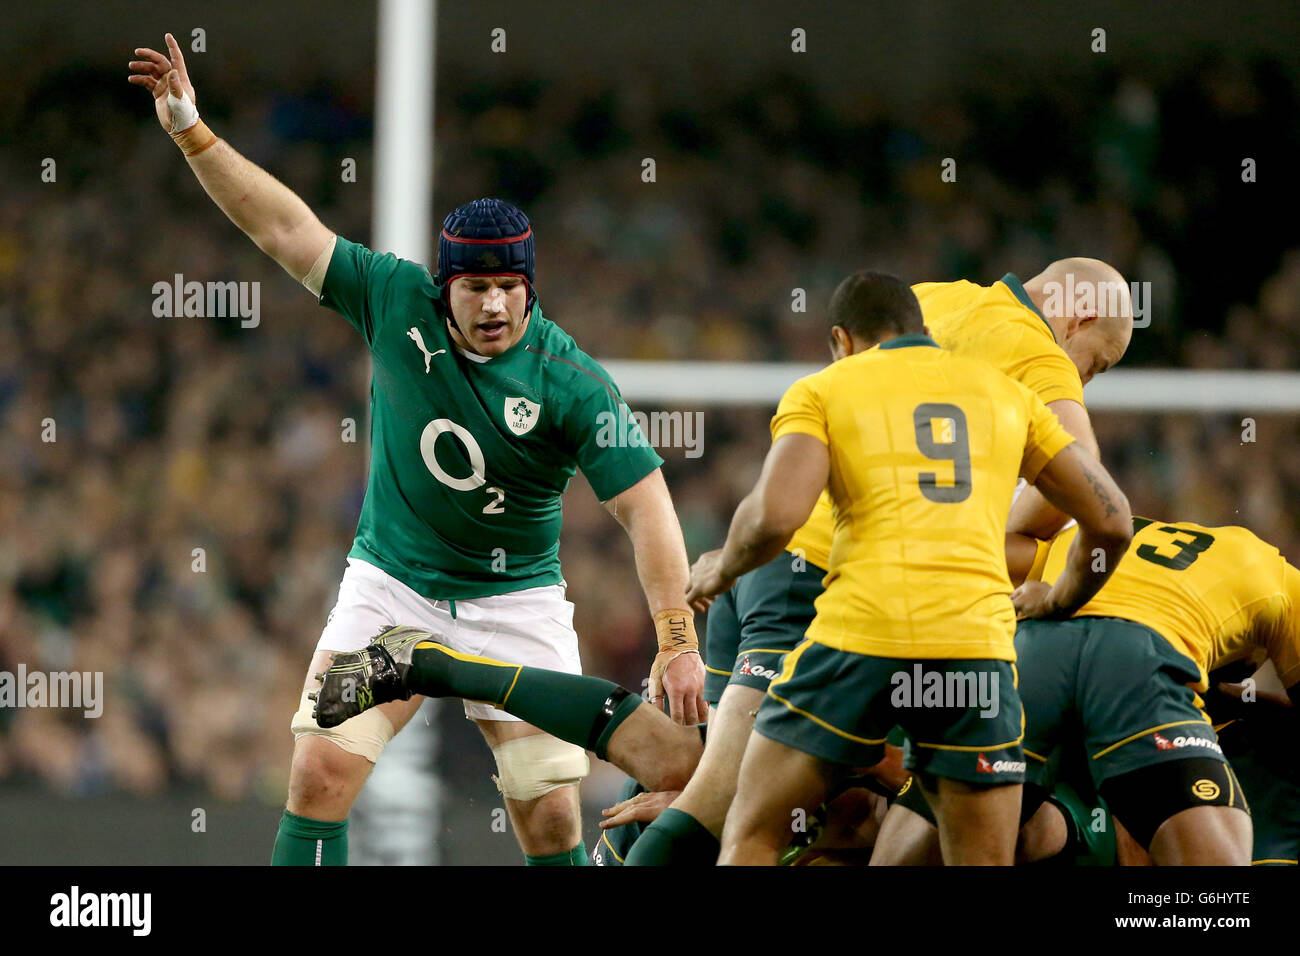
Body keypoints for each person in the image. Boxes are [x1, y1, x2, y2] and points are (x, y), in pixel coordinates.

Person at [129, 32, 705, 866]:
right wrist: (193, 133)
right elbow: (285, 230)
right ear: (445, 288)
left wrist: (677, 640)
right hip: (393, 588)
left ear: (530, 288)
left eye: (512, 287)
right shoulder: (393, 297)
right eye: (478, 287)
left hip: (517, 606)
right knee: (319, 770)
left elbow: (644, 506)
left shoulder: (572, 380)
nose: (497, 306)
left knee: (549, 820)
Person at [686, 270, 1133, 865]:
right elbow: (1112, 519)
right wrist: (1056, 592)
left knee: (748, 829)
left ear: (847, 338)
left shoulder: (846, 371)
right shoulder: (1023, 385)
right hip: (971, 649)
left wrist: (721, 571)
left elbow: (773, 515)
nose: (1084, 378)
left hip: (856, 627)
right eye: (1094, 366)